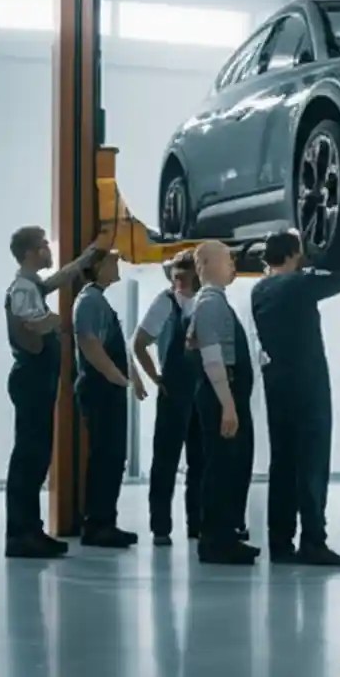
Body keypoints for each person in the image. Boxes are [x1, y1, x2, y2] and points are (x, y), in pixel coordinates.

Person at [251, 231, 340, 567]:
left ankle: (280, 543)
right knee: (311, 463)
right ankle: (313, 541)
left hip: (276, 385)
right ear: (295, 253)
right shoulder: (297, 285)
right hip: (307, 386)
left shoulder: (260, 290)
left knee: (282, 464)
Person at [3, 226, 100, 559]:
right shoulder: (21, 289)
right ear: (31, 252)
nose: (49, 249)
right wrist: (63, 322)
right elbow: (33, 323)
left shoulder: (32, 286)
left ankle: (31, 530)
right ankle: (21, 534)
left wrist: (85, 259)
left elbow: (53, 282)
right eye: (44, 245)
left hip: (36, 380)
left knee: (36, 455)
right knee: (30, 458)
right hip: (31, 379)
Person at [189, 240, 260, 565]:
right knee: (222, 467)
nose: (233, 263)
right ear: (205, 263)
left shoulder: (214, 302)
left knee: (230, 465)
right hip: (223, 394)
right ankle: (217, 540)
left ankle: (225, 534)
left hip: (225, 393)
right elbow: (212, 356)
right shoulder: (210, 303)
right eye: (227, 259)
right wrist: (228, 404)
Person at [72, 250, 147, 548]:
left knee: (113, 456)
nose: (118, 266)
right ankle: (98, 524)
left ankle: (105, 520)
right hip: (100, 389)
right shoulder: (89, 301)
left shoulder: (98, 300)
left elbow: (117, 347)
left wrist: (132, 378)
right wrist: (115, 376)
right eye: (113, 262)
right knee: (106, 456)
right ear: (97, 266)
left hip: (108, 388)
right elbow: (88, 342)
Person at [134, 251, 205, 546]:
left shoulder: (204, 301)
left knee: (200, 461)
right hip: (174, 391)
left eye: (185, 271)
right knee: (165, 459)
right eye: (175, 272)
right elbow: (139, 343)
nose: (179, 277)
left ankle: (197, 524)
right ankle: (160, 527)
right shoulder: (165, 303)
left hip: (201, 391)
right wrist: (156, 379)